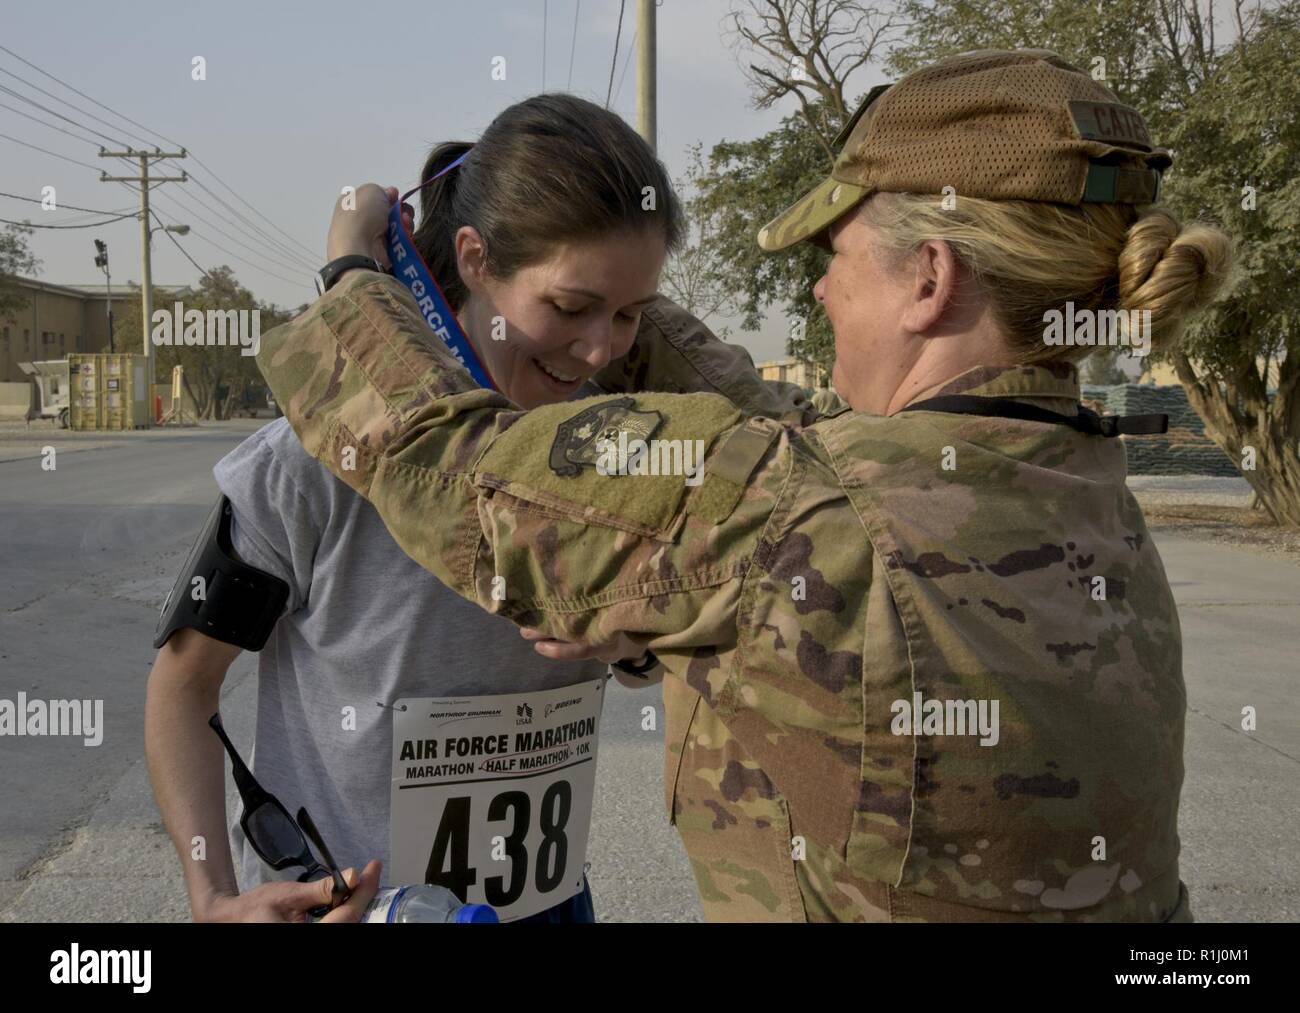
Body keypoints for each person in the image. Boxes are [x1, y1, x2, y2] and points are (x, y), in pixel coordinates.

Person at [255, 49, 1232, 922]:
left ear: (928, 277)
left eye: (833, 254)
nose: (816, 291)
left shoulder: (788, 516)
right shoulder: (1090, 495)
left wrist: (352, 271)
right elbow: (779, 430)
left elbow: (442, 467)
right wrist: (619, 301)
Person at [144, 93, 803, 924]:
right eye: (568, 307)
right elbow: (182, 686)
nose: (598, 348)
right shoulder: (316, 457)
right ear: (475, 259)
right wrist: (212, 896)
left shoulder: (627, 451)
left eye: (631, 314)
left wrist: (637, 640)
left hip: (552, 906)